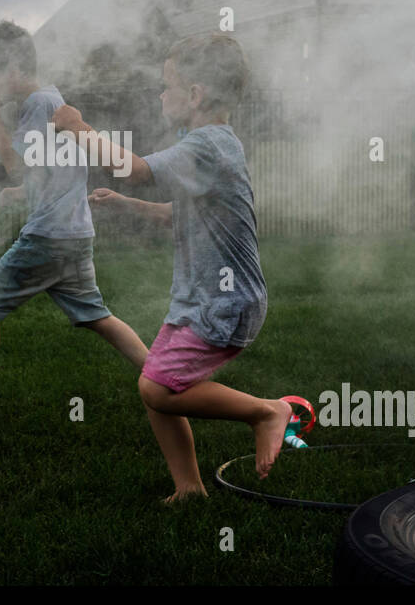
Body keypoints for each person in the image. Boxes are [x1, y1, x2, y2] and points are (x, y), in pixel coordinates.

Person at [52, 34, 290, 502]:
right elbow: (173, 212)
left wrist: (78, 127)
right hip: (199, 301)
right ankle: (189, 488)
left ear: (196, 94)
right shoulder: (207, 146)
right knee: (158, 385)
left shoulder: (208, 145)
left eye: (167, 86)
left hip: (225, 302)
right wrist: (126, 204)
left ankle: (266, 412)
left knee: (158, 388)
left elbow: (135, 167)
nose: (161, 95)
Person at [0, 20, 148, 417]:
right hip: (75, 232)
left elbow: (15, 164)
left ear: (11, 69)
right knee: (97, 315)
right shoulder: (53, 99)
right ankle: (158, 375)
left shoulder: (36, 107)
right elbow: (47, 169)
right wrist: (22, 193)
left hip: (49, 235)